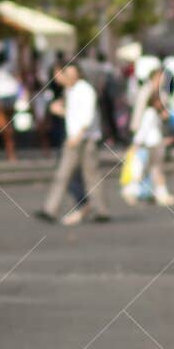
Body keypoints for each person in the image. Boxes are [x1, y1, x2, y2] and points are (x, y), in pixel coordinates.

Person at [36, 59, 110, 226]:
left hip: (84, 139)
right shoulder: (71, 91)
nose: (59, 78)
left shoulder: (84, 89)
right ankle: (52, 209)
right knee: (73, 174)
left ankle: (99, 210)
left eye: (61, 74)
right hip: (76, 137)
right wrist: (60, 110)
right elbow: (74, 113)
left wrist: (78, 135)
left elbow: (87, 115)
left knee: (85, 175)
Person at [124, 68, 174, 207]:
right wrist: (136, 141)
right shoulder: (148, 95)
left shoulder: (158, 95)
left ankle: (152, 193)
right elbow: (142, 123)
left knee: (149, 168)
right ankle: (147, 192)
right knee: (148, 168)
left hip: (150, 140)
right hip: (150, 142)